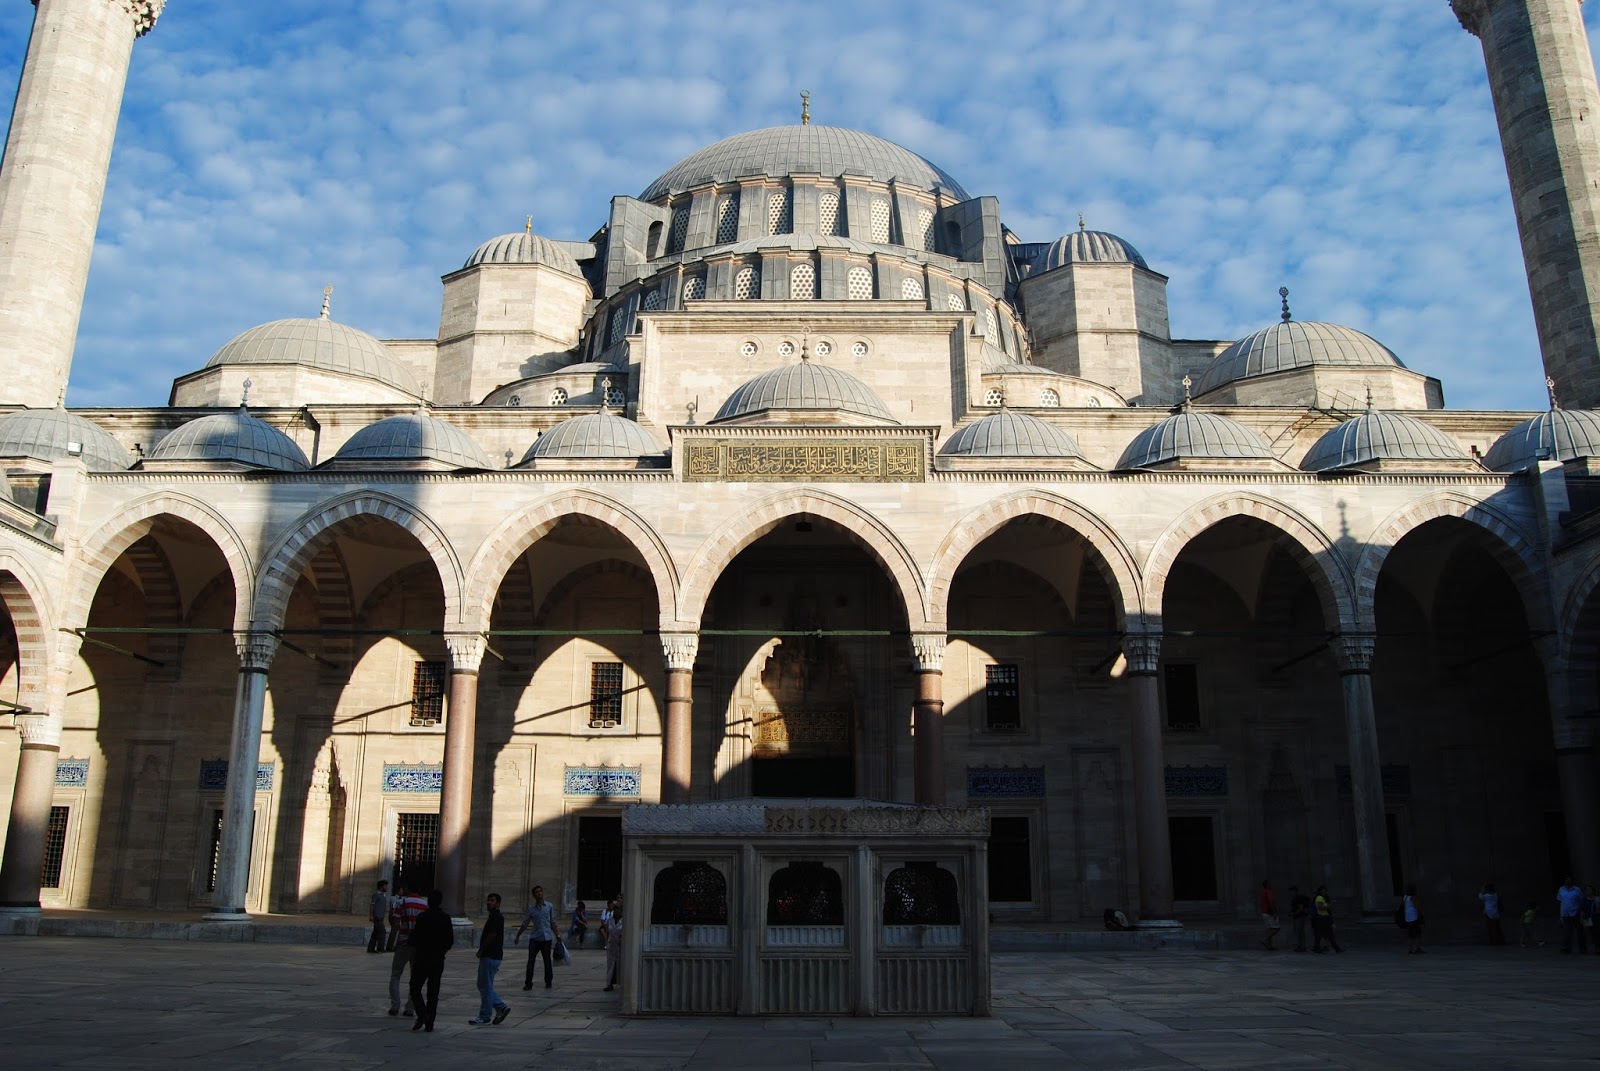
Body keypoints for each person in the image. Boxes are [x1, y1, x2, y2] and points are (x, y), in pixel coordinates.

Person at [408, 889, 455, 1032]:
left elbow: (415, 938)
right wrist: (441, 951)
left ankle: (422, 1014)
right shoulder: (445, 918)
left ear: (428, 901)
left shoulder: (423, 917)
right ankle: (430, 1023)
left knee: (415, 987)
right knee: (433, 992)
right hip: (438, 959)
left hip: (422, 958)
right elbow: (449, 941)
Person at [468, 892, 512, 1025]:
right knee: (484, 985)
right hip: (493, 955)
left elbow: (492, 935)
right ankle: (498, 1008)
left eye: (492, 900)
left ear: (498, 903)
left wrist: (482, 950)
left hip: (490, 955)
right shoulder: (494, 917)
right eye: (488, 900)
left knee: (485, 986)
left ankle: (487, 1014)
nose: (489, 903)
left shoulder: (496, 917)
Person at [387, 881, 428, 1016]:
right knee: (415, 977)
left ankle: (395, 1005)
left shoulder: (401, 903)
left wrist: (394, 942)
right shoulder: (424, 905)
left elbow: (396, 923)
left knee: (396, 974)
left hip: (404, 942)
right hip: (419, 945)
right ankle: (410, 1007)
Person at [514, 884, 556, 990]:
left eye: (540, 891)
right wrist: (518, 935)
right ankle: (528, 983)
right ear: (534, 895)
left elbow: (552, 922)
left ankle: (548, 981)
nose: (539, 893)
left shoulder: (549, 906)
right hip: (535, 939)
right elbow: (525, 923)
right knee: (531, 961)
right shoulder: (531, 909)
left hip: (546, 938)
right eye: (537, 892)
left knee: (547, 961)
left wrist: (557, 935)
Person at [1558, 876, 1588, 953]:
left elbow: (1581, 901)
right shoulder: (1561, 889)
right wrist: (1561, 915)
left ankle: (1583, 948)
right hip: (1565, 914)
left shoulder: (1577, 890)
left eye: (1569, 880)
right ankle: (1566, 948)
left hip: (1576, 913)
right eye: (1566, 880)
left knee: (1580, 932)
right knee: (1567, 932)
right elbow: (1561, 902)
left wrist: (1581, 912)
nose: (1568, 881)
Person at [1311, 886, 1343, 954]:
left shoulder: (1323, 898)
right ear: (1320, 891)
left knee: (1328, 934)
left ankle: (1336, 948)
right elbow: (1320, 907)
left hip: (1324, 918)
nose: (1324, 892)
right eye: (1322, 890)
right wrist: (1330, 905)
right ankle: (1318, 948)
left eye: (1325, 891)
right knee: (1321, 934)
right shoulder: (1319, 897)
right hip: (1322, 918)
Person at [603, 893, 623, 992]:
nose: (616, 911)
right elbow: (607, 932)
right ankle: (609, 983)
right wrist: (607, 943)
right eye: (615, 909)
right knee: (610, 964)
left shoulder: (624, 921)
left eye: (618, 909)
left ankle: (621, 983)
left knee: (620, 965)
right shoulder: (610, 920)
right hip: (612, 945)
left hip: (620, 946)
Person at [366, 879, 390, 953]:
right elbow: (372, 905)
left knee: (375, 933)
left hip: (380, 917)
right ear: (381, 887)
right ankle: (380, 948)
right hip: (377, 917)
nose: (386, 888)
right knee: (382, 932)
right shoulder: (376, 895)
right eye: (385, 886)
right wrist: (371, 916)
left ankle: (371, 948)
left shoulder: (382, 895)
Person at [1258, 879, 1280, 951]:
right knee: (1276, 928)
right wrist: (1274, 912)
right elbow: (1271, 902)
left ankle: (1269, 946)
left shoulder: (1263, 892)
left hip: (1264, 913)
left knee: (1270, 929)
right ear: (1267, 885)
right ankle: (1265, 939)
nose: (1271, 885)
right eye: (1269, 884)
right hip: (1269, 913)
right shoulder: (1268, 892)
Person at [1403, 883, 1424, 954]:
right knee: (1417, 933)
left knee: (1411, 934)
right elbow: (1417, 906)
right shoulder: (1412, 897)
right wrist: (1420, 914)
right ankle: (1417, 948)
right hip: (1413, 918)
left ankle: (1410, 949)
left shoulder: (1405, 897)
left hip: (1408, 918)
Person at [1288, 885, 1311, 953]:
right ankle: (1300, 946)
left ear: (1295, 891)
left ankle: (1302, 947)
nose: (1291, 893)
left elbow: (1301, 908)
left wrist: (1294, 914)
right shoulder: (1294, 899)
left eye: (1292, 891)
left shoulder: (1298, 898)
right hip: (1297, 917)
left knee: (1300, 932)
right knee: (1298, 932)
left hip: (1300, 917)